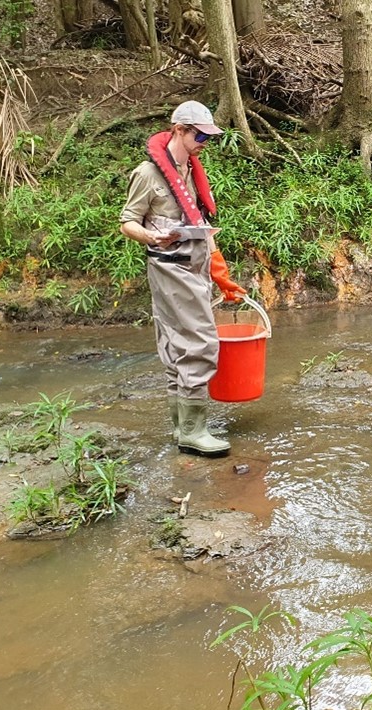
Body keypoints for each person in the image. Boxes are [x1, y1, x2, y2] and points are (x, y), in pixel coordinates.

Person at [119, 100, 246, 458]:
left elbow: (204, 226)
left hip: (196, 265)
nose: (206, 141)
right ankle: (194, 429)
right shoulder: (148, 174)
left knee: (178, 343)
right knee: (201, 342)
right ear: (179, 130)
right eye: (200, 134)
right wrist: (150, 237)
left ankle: (181, 427)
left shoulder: (191, 169)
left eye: (209, 135)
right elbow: (128, 221)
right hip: (170, 266)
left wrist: (222, 276)